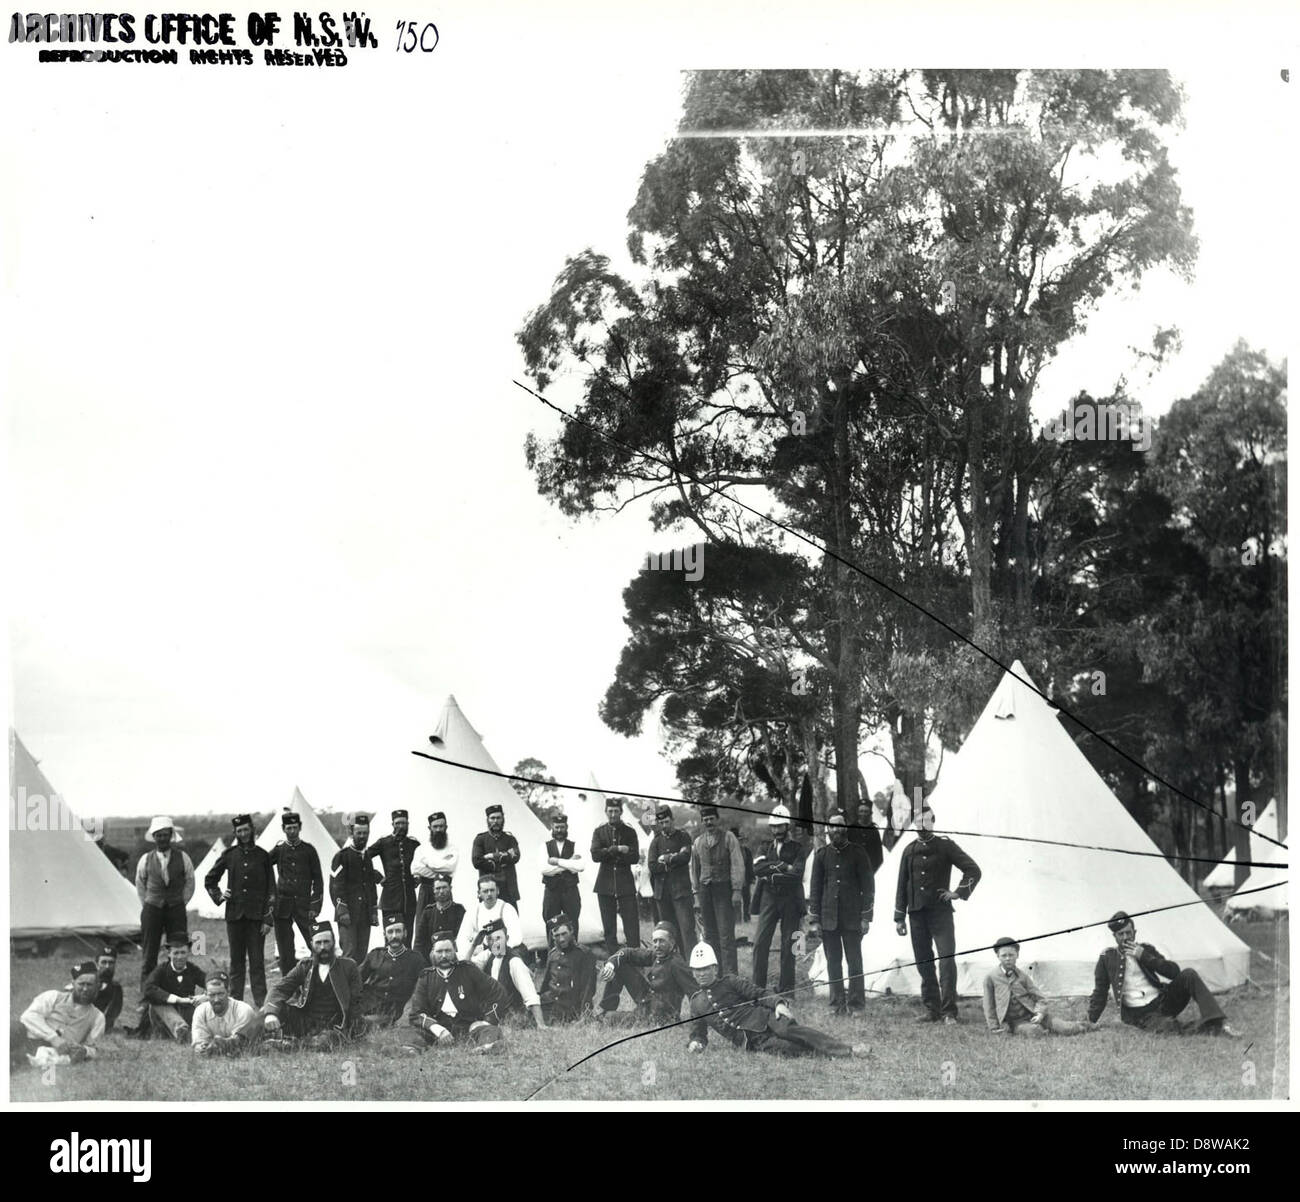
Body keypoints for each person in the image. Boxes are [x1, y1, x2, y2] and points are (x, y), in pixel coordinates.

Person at [685, 943, 867, 1059]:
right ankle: (826, 1055)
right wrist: (697, 1042)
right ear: (692, 972)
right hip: (750, 1040)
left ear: (715, 968)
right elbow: (698, 1033)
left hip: (766, 1017)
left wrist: (778, 1004)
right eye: (697, 970)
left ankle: (848, 1050)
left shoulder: (730, 981)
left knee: (790, 1030)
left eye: (705, 969)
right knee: (786, 1048)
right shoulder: (696, 1002)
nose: (701, 973)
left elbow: (759, 993)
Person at [1088, 912, 1241, 1037]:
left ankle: (1219, 1022)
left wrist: (1145, 956)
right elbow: (1100, 991)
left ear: (1134, 933)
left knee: (1189, 974)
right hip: (1140, 1013)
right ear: (1115, 936)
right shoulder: (1107, 958)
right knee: (1169, 1028)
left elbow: (1174, 972)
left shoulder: (1145, 949)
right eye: (1121, 934)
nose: (1126, 938)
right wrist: (1091, 1021)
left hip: (1163, 1000)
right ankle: (1208, 1028)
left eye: (1129, 933)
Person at [893, 809, 981, 1025]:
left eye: (926, 820)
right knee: (924, 962)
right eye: (917, 821)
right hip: (916, 915)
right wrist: (899, 917)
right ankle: (931, 1009)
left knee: (946, 960)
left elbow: (973, 870)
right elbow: (901, 885)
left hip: (940, 913)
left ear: (933, 822)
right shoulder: (908, 850)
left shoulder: (945, 846)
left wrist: (958, 893)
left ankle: (949, 1011)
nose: (922, 825)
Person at [205, 813, 275, 1007]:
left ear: (252, 830)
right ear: (235, 833)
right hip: (235, 917)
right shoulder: (230, 855)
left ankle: (262, 1006)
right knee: (236, 964)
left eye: (246, 830)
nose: (243, 834)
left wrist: (268, 919)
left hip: (256, 919)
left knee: (257, 964)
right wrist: (220, 896)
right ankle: (235, 1006)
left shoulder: (263, 856)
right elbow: (210, 879)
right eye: (239, 831)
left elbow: (271, 888)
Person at [809, 813, 874, 1014]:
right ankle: (837, 1004)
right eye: (832, 827)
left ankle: (856, 1005)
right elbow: (815, 889)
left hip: (852, 918)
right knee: (833, 963)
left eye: (839, 826)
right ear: (827, 830)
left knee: (855, 962)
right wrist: (815, 920)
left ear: (845, 829)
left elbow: (868, 886)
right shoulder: (821, 855)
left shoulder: (858, 853)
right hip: (828, 920)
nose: (836, 830)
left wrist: (866, 917)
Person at [263, 922, 364, 1050]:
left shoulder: (348, 967)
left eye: (326, 942)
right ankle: (238, 1041)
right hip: (305, 1021)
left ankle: (289, 1045)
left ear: (333, 942)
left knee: (327, 1041)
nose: (323, 947)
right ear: (312, 945)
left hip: (334, 1025)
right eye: (318, 943)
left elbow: (356, 1001)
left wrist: (353, 1032)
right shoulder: (305, 966)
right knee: (267, 1012)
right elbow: (279, 989)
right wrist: (271, 1014)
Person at [406, 931, 508, 1054]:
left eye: (448, 951)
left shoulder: (468, 970)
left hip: (469, 1026)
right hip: (439, 1028)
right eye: (439, 952)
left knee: (490, 1030)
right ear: (432, 952)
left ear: (455, 950)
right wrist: (438, 1029)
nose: (444, 956)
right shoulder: (426, 977)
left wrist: (487, 1020)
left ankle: (486, 1047)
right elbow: (417, 1013)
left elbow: (497, 992)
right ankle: (411, 1049)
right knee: (411, 1031)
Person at [751, 804, 809, 995]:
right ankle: (758, 989)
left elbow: (797, 875)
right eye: (773, 827)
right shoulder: (764, 845)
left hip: (790, 900)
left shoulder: (798, 848)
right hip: (768, 898)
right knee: (760, 943)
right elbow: (757, 869)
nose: (776, 830)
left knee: (789, 944)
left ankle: (786, 989)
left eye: (780, 826)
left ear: (787, 826)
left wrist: (770, 873)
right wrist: (783, 866)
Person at [134, 815, 196, 991]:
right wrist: (149, 903)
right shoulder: (145, 859)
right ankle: (147, 992)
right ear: (154, 837)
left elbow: (190, 882)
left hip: (176, 910)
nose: (162, 838)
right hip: (152, 909)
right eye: (158, 835)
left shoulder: (183, 857)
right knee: (149, 954)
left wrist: (179, 902)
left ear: (171, 836)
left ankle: (177, 990)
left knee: (177, 950)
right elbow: (140, 884)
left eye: (165, 834)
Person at [983, 937, 1089, 1036]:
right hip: (1016, 1022)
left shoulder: (1022, 976)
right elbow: (989, 1005)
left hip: (1033, 1014)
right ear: (998, 956)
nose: (1008, 959)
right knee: (1034, 1031)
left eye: (1011, 955)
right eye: (1004, 955)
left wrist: (1040, 1014)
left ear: (1017, 955)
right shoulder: (990, 977)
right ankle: (1043, 1031)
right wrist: (994, 1027)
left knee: (1066, 1028)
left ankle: (1088, 1026)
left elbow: (1040, 998)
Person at [598, 922, 697, 1025]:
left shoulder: (677, 964)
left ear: (672, 943)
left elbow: (694, 992)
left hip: (659, 1017)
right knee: (621, 965)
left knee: (609, 1018)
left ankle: (604, 1016)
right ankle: (606, 1009)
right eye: (655, 941)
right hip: (647, 1002)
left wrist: (697, 1020)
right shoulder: (657, 955)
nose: (657, 945)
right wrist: (610, 965)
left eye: (662, 941)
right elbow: (627, 953)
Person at [12, 962, 106, 1068]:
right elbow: (28, 1016)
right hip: (29, 1040)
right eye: (81, 984)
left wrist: (84, 1051)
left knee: (14, 1060)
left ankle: (19, 1061)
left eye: (89, 985)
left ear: (97, 987)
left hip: (55, 1052)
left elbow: (94, 1048)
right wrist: (54, 1038)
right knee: (12, 1027)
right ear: (73, 983)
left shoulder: (97, 1017)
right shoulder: (54, 996)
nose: (85, 989)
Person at [690, 804, 745, 973]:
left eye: (711, 819)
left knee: (726, 935)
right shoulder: (698, 842)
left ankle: (731, 976)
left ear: (717, 820)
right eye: (705, 820)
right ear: (702, 822)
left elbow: (737, 864)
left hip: (724, 890)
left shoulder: (728, 838)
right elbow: (694, 870)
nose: (708, 822)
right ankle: (717, 975)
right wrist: (697, 895)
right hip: (705, 892)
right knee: (710, 935)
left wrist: (736, 890)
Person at [268, 809, 323, 975]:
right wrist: (271, 895)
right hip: (282, 906)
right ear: (283, 829)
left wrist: (315, 905)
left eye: (294, 827)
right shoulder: (278, 850)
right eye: (288, 828)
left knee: (315, 942)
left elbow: (318, 880)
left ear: (300, 827)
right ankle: (289, 983)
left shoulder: (308, 850)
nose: (292, 831)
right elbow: (262, 866)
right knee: (285, 949)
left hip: (304, 905)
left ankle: (321, 978)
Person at [471, 920, 546, 1028]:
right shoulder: (488, 955)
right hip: (492, 1012)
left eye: (498, 938)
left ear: (507, 938)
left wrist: (541, 1024)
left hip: (512, 1016)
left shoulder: (514, 962)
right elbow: (464, 968)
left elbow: (530, 994)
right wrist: (473, 945)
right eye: (490, 940)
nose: (494, 943)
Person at [357, 918, 428, 1027]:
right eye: (390, 932)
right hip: (367, 1006)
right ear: (385, 934)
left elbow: (423, 988)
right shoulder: (375, 955)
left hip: (395, 1011)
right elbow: (356, 980)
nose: (394, 936)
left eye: (398, 931)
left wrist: (409, 1009)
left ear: (405, 933)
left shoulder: (416, 959)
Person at [331, 813, 381, 961]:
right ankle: (345, 984)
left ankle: (358, 984)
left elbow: (371, 886)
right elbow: (335, 886)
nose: (362, 836)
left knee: (362, 953)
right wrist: (342, 911)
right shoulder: (342, 856)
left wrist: (373, 911)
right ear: (351, 833)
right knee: (349, 954)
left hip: (364, 915)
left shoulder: (367, 858)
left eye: (365, 833)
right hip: (348, 914)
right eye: (359, 833)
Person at [367, 809, 419, 947]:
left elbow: (424, 861)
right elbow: (363, 858)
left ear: (408, 824)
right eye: (398, 823)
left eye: (403, 823)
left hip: (409, 899)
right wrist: (378, 877)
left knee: (407, 935)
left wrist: (418, 877)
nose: (401, 826)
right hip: (390, 899)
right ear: (392, 824)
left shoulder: (414, 844)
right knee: (390, 936)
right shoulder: (384, 842)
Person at [648, 805, 695, 956]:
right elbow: (652, 866)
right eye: (661, 823)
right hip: (663, 894)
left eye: (667, 822)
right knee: (666, 932)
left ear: (672, 820)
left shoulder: (683, 836)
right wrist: (672, 863)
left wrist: (667, 859)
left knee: (687, 930)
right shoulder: (656, 842)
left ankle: (691, 966)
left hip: (681, 892)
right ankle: (671, 967)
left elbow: (685, 857)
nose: (664, 826)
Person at [142, 934, 208, 1042]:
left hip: (187, 1009)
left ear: (188, 953)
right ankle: (181, 1031)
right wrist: (176, 999)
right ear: (169, 954)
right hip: (164, 1015)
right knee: (156, 1002)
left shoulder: (192, 969)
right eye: (176, 953)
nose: (180, 957)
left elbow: (211, 982)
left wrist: (204, 996)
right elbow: (148, 988)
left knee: (207, 1004)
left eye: (183, 952)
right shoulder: (161, 970)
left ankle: (191, 1034)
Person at [536, 913, 598, 1023]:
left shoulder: (584, 954)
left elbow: (588, 989)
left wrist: (585, 1015)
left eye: (564, 934)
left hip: (570, 1008)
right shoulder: (552, 954)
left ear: (571, 931)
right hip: (550, 1005)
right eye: (557, 936)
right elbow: (546, 984)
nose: (561, 939)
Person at [540, 811, 586, 943]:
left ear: (567, 827)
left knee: (572, 923)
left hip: (570, 890)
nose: (559, 830)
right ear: (552, 827)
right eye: (557, 827)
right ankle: (553, 958)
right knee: (551, 924)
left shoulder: (575, 845)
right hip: (551, 890)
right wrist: (569, 863)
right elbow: (545, 869)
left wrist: (557, 861)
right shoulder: (545, 846)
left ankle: (573, 957)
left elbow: (580, 866)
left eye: (562, 827)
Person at [192, 972, 262, 1056]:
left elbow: (241, 1043)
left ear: (228, 991)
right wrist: (201, 1048)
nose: (216, 999)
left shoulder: (243, 1010)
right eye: (212, 995)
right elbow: (199, 1040)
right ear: (206, 994)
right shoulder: (200, 1011)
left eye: (220, 994)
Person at [458, 875, 524, 960]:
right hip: (486, 951)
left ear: (497, 891)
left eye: (492, 890)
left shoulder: (507, 908)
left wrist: (498, 950)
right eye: (485, 891)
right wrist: (468, 955)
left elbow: (516, 937)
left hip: (507, 950)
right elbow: (462, 938)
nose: (489, 894)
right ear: (479, 893)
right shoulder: (473, 911)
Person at [472, 803, 523, 908]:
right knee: (488, 920)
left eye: (498, 818)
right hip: (488, 889)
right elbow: (476, 861)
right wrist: (502, 859)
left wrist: (491, 856)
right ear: (488, 820)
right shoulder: (480, 839)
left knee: (511, 920)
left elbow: (515, 856)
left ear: (503, 819)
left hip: (508, 888)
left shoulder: (510, 838)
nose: (495, 821)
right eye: (492, 818)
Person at [413, 811, 459, 924]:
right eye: (435, 826)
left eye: (441, 826)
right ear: (429, 828)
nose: (438, 829)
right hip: (426, 890)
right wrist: (441, 865)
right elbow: (416, 869)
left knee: (446, 926)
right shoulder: (421, 849)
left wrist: (427, 863)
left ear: (446, 827)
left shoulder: (452, 849)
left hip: (445, 889)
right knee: (422, 926)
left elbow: (450, 868)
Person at [414, 872, 466, 960]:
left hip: (453, 958)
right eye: (438, 888)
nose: (441, 891)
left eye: (444, 887)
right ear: (433, 890)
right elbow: (419, 942)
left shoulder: (459, 910)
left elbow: (463, 938)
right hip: (431, 960)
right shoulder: (428, 912)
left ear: (450, 888)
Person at [635, 807, 659, 925]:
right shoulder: (646, 840)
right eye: (650, 821)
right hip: (651, 879)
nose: (653, 824)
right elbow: (641, 861)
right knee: (656, 911)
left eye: (655, 821)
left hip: (663, 877)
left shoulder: (660, 837)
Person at [92, 946, 124, 1034]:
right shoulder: (86, 982)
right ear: (96, 964)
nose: (107, 966)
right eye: (103, 962)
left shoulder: (115, 988)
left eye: (111, 963)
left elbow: (112, 1014)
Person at [733, 826, 755, 925]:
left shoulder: (747, 851)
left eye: (740, 840)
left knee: (747, 899)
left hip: (745, 879)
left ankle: (747, 917)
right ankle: (737, 919)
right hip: (734, 880)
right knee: (736, 900)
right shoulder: (730, 852)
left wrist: (752, 877)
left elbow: (750, 865)